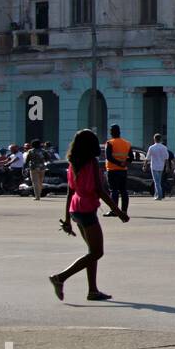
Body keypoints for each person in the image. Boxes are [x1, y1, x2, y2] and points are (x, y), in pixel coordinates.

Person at [49, 128, 128, 302]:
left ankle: (92, 291)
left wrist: (68, 219)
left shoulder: (73, 162)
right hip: (86, 209)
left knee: (91, 251)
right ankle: (60, 278)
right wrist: (119, 212)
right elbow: (99, 190)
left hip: (76, 208)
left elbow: (70, 191)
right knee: (97, 252)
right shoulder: (91, 162)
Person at [103, 124, 132, 217]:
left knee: (114, 191)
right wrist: (124, 163)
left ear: (111, 132)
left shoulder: (110, 143)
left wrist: (118, 163)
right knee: (124, 191)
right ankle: (124, 211)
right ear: (119, 132)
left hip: (112, 170)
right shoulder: (127, 143)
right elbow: (131, 157)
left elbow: (108, 157)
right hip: (123, 171)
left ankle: (114, 211)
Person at [146, 133, 170, 200]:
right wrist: (167, 167)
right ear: (160, 139)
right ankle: (156, 194)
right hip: (161, 167)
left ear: (154, 139)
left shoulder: (151, 147)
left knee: (157, 182)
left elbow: (147, 158)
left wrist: (144, 165)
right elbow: (166, 158)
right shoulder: (164, 147)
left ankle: (159, 195)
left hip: (154, 167)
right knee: (158, 181)